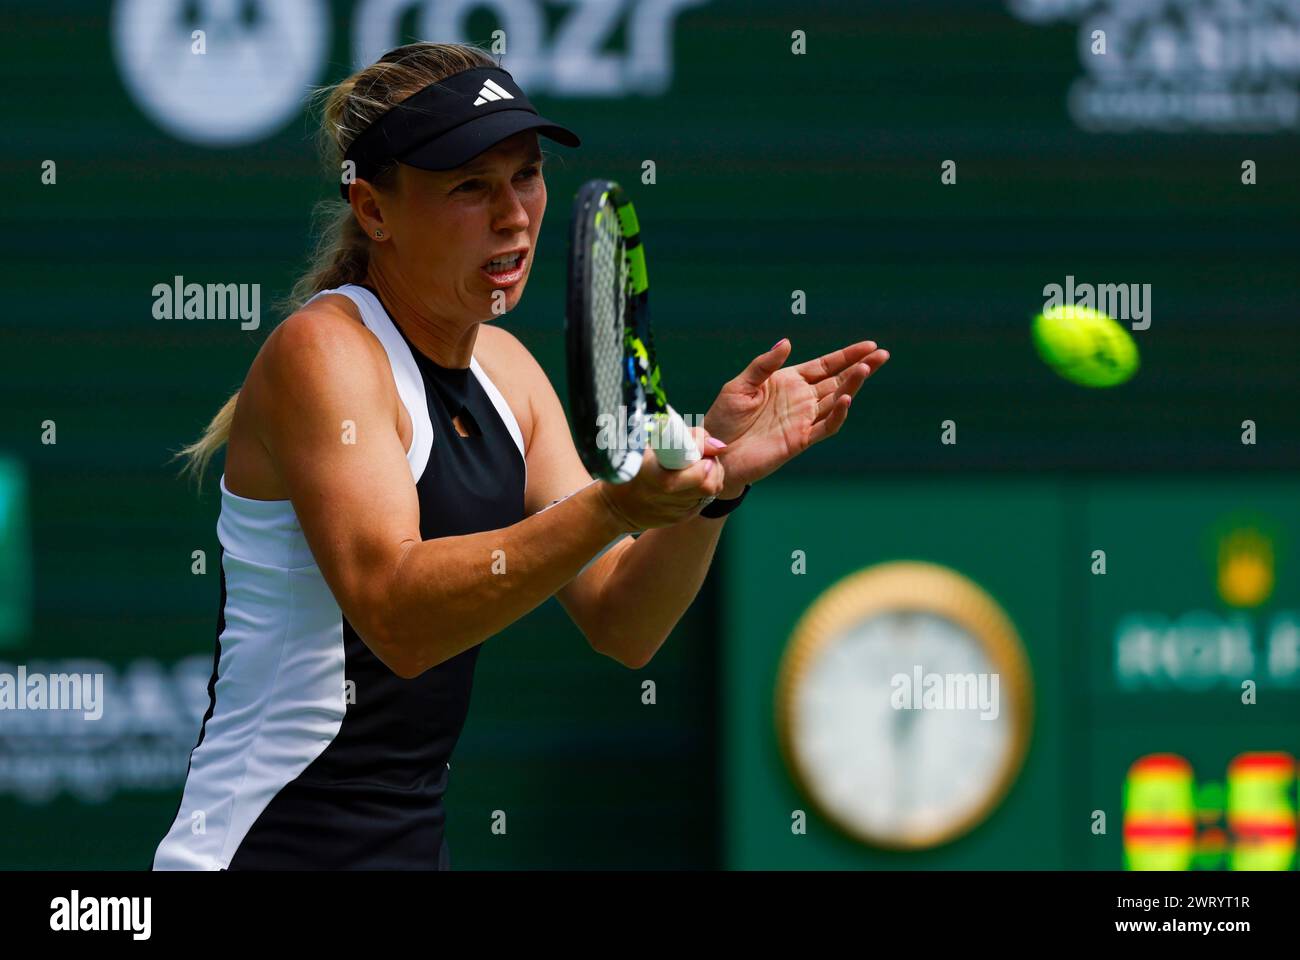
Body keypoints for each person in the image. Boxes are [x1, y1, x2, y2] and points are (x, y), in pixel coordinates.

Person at [154, 41, 889, 870]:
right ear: (374, 211)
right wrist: (615, 504)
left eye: (527, 175)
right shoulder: (323, 355)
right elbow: (397, 616)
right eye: (470, 186)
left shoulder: (508, 372)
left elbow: (625, 619)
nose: (513, 214)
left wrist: (713, 490)